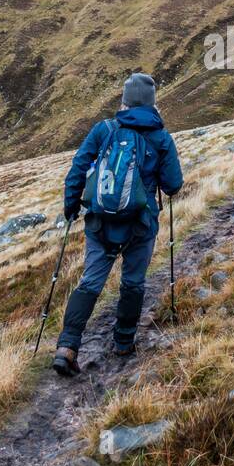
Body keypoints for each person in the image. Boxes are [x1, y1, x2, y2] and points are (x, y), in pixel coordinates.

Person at [53, 72, 183, 376]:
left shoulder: (104, 130)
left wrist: (71, 207)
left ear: (124, 100)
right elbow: (174, 184)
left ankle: (67, 347)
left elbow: (77, 169)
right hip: (140, 225)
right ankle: (124, 342)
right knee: (133, 282)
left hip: (100, 224)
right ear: (152, 103)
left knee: (90, 282)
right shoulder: (160, 137)